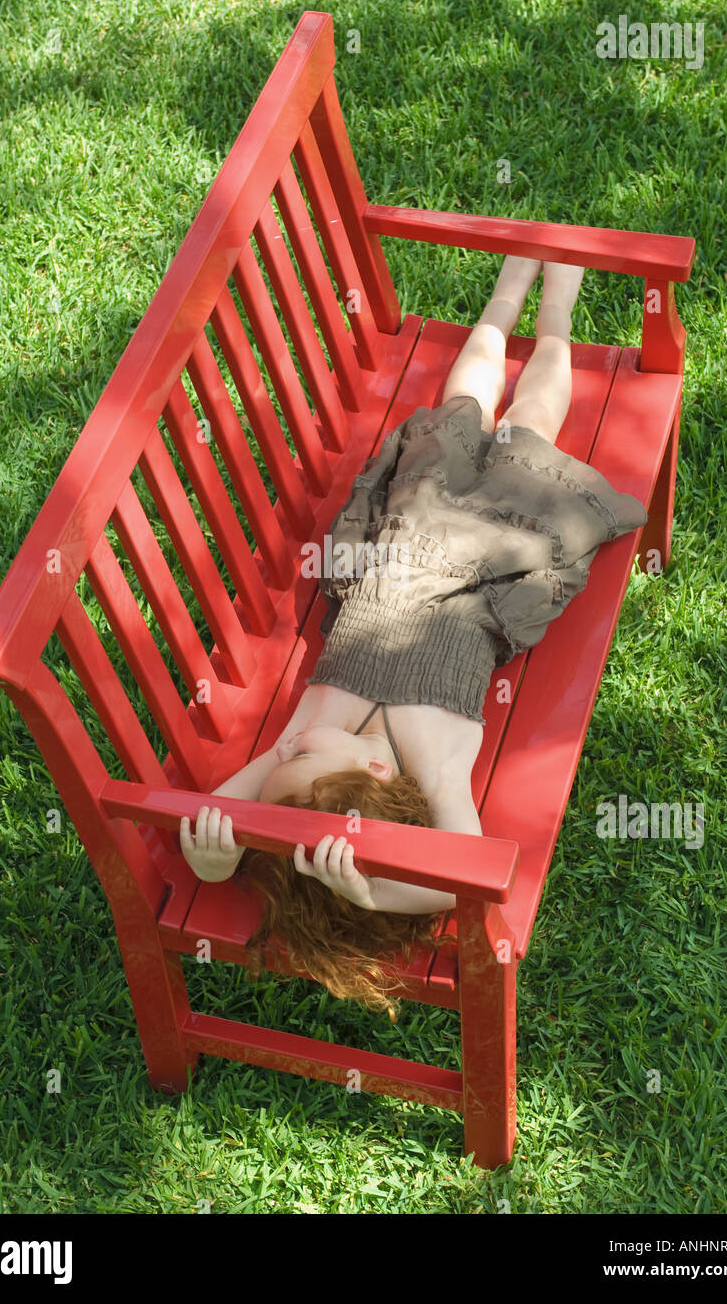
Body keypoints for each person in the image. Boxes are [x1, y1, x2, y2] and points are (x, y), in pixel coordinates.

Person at [179, 258, 648, 1018]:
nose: (282, 752)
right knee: (530, 422)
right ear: (369, 768)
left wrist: (214, 856)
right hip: (491, 549)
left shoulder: (308, 744)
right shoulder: (433, 761)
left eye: (278, 770)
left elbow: (236, 811)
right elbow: (455, 870)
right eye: (294, 765)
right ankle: (557, 308)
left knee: (459, 405)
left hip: (410, 527)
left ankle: (506, 297)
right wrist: (371, 888)